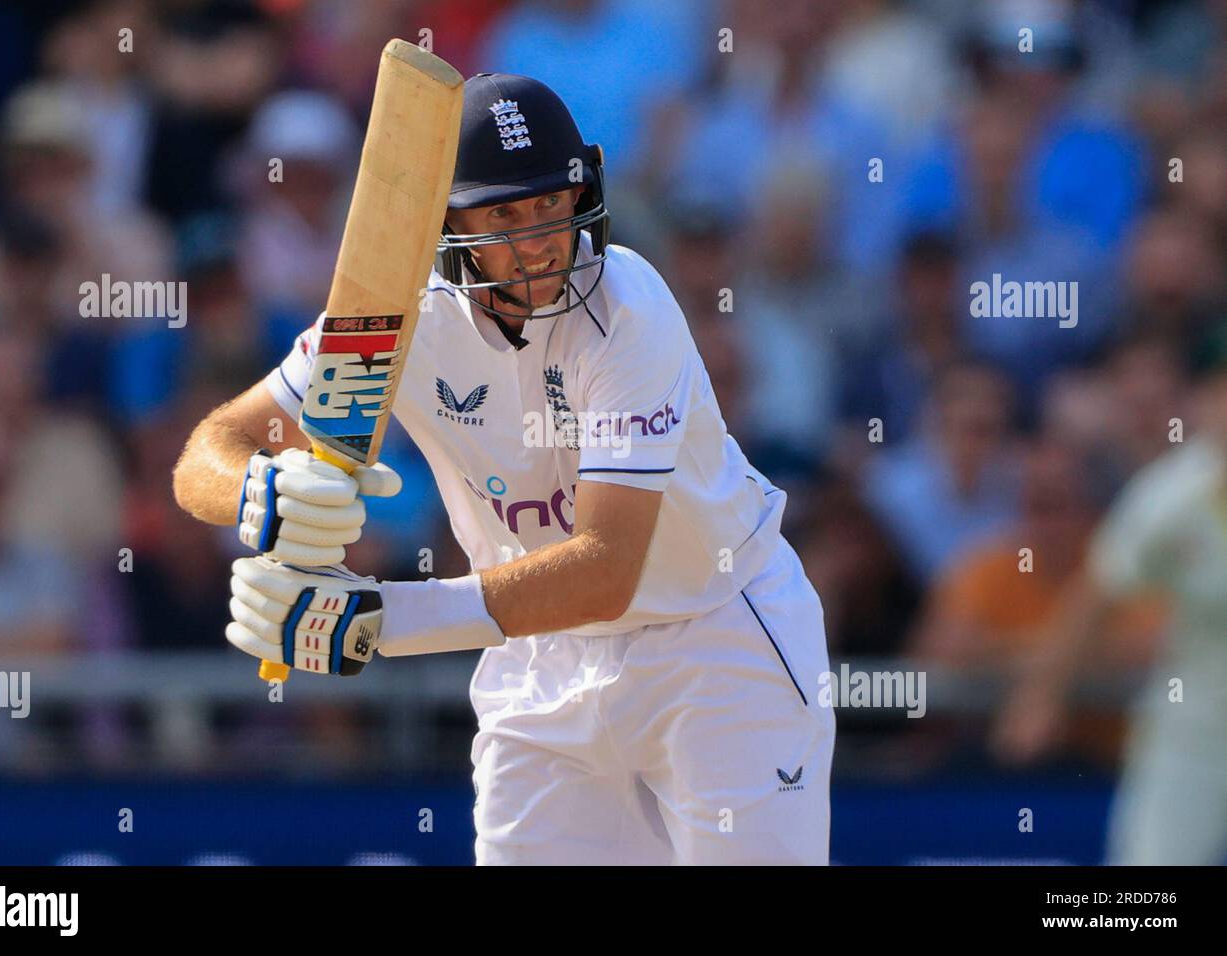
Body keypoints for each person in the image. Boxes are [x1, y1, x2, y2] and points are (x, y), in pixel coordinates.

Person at [174, 73, 834, 865]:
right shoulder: (391, 320)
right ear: (445, 222)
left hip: (713, 636)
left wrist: (378, 621)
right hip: (535, 656)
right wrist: (262, 493)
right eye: (504, 215)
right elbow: (208, 450)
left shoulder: (628, 305)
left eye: (550, 203)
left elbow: (607, 569)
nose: (539, 239)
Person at [993, 364, 1227, 865]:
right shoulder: (1170, 495)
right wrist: (1041, 697)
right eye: (1219, 392)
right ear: (1201, 404)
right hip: (1199, 728)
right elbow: (1097, 592)